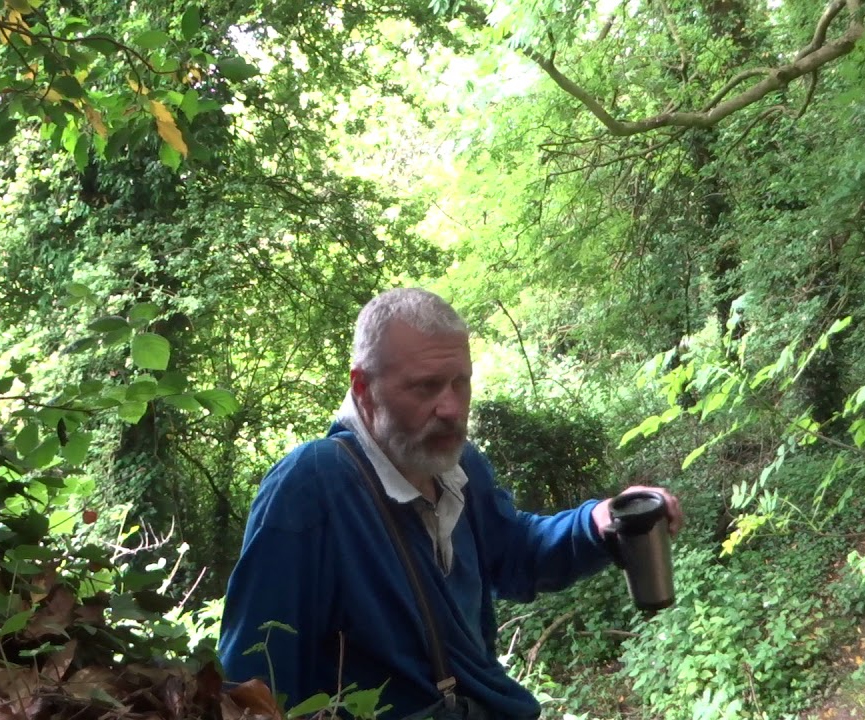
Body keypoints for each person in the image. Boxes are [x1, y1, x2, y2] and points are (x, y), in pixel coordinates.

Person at [217, 288, 683, 719]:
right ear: (363, 388)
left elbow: (514, 554)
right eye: (425, 387)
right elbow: (253, 680)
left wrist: (596, 522)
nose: (451, 408)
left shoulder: (461, 468)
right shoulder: (312, 488)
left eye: (461, 383)